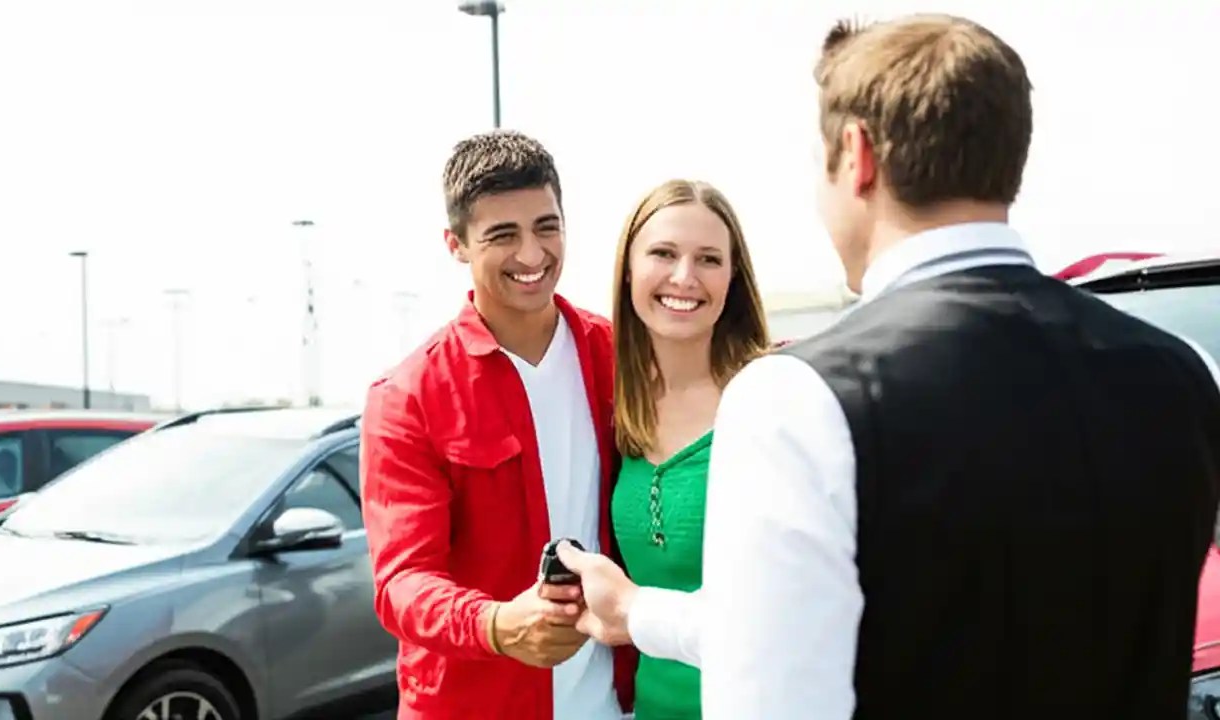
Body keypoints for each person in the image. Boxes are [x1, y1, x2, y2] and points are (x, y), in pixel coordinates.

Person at [558, 13, 1220, 719]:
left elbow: (775, 689)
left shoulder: (797, 398)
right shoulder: (1183, 374)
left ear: (857, 155)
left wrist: (636, 612)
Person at [360, 129, 633, 720]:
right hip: (471, 705)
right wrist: (499, 625)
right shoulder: (407, 396)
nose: (532, 255)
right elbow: (401, 583)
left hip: (614, 704)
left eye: (546, 227)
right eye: (502, 235)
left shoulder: (620, 358)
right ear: (456, 244)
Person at [606, 179, 768, 719]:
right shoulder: (619, 406)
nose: (684, 277)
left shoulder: (769, 401)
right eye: (663, 253)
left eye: (708, 259)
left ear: (733, 279)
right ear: (628, 268)